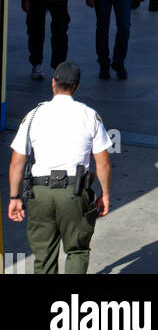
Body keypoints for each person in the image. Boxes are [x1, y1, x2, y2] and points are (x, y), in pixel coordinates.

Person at [8, 60, 112, 274]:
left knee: (44, 254)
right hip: (74, 193)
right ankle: (70, 306)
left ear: (53, 83)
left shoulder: (34, 116)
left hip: (40, 193)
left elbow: (16, 162)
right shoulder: (89, 116)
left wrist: (14, 197)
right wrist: (105, 194)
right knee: (77, 250)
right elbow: (102, 163)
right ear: (78, 86)